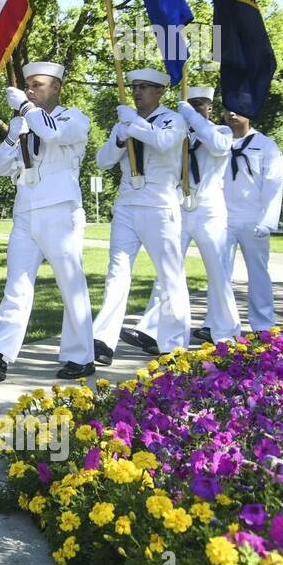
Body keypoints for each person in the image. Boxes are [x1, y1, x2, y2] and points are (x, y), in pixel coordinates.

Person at [0, 62, 95, 382]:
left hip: (59, 211)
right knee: (17, 285)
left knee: (70, 283)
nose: (30, 90)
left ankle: (80, 356)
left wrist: (25, 109)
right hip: (25, 211)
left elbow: (52, 133)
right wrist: (12, 136)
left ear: (56, 88)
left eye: (38, 85)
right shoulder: (27, 123)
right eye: (28, 86)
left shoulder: (73, 118)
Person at [126, 86, 241, 352]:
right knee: (168, 272)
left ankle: (226, 331)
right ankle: (153, 329)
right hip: (179, 206)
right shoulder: (179, 134)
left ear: (210, 107)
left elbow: (219, 146)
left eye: (201, 103)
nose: (196, 107)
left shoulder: (219, 132)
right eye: (191, 103)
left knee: (217, 272)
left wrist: (193, 117)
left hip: (208, 209)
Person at [92, 68, 191, 364]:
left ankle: (172, 343)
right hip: (127, 204)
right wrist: (119, 140)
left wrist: (133, 124)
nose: (137, 92)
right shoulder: (125, 121)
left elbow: (162, 142)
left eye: (145, 87)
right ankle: (103, 340)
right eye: (134, 87)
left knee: (170, 275)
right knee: (117, 273)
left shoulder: (173, 119)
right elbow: (102, 161)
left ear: (160, 91)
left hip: (159, 205)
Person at [222, 108, 283, 333]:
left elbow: (273, 186)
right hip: (223, 218)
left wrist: (267, 221)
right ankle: (222, 324)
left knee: (258, 274)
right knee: (220, 274)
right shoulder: (218, 142)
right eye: (227, 109)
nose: (231, 113)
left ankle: (263, 324)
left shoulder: (266, 146)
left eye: (237, 110)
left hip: (254, 219)